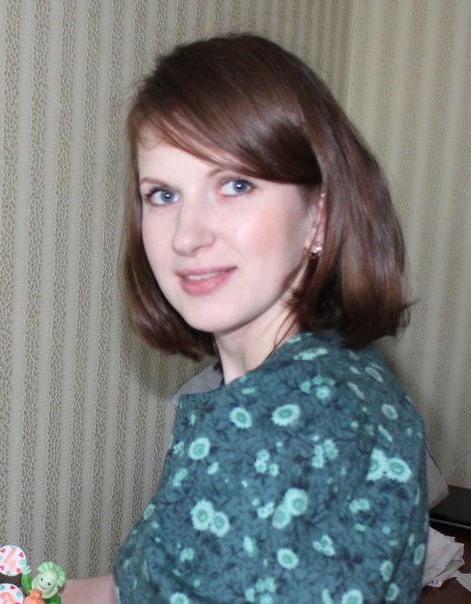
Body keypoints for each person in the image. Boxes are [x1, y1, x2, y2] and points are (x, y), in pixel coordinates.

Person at [63, 34, 428, 603]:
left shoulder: (293, 423)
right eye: (163, 195)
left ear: (319, 215)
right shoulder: (294, 381)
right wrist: (11, 589)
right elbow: (135, 589)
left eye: (235, 185)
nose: (187, 236)